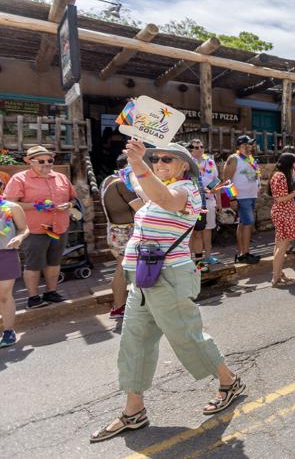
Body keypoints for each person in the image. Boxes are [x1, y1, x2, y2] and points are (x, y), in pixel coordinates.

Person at [91, 141, 243, 443]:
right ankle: (134, 410)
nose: (159, 162)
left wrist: (139, 164)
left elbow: (164, 197)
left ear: (184, 164)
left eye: (166, 159)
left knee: (186, 336)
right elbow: (148, 190)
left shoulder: (188, 190)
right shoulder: (157, 189)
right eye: (155, 158)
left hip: (170, 276)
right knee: (134, 340)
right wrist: (138, 161)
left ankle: (229, 382)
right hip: (142, 277)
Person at [4, 146, 76, 309]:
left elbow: (73, 199)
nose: (47, 164)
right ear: (29, 161)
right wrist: (39, 206)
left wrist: (69, 205)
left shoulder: (61, 177)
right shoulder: (19, 179)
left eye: (50, 160)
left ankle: (51, 292)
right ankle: (33, 298)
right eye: (41, 161)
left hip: (59, 228)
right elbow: (10, 204)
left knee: (54, 262)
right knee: (33, 264)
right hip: (34, 229)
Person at [101, 155, 143, 319]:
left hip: (115, 231)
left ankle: (120, 306)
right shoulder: (121, 184)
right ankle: (118, 307)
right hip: (124, 232)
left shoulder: (108, 180)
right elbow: (142, 208)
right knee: (122, 269)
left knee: (123, 268)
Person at [269, 153, 295, 286]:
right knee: (282, 246)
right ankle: (276, 278)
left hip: (283, 213)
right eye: (294, 162)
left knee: (279, 245)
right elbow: (279, 198)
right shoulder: (281, 176)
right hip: (283, 214)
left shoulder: (279, 175)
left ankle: (279, 274)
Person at [222, 136, 261, 264]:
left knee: (244, 224)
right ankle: (244, 254)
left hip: (251, 196)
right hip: (241, 197)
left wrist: (258, 187)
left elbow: (255, 176)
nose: (251, 147)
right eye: (248, 144)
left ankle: (242, 253)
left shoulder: (251, 159)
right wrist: (231, 198)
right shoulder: (234, 158)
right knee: (248, 223)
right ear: (241, 145)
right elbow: (226, 180)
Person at [0, 192, 29, 348]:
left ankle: (8, 331)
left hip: (5, 254)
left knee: (4, 295)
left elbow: (24, 229)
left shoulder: (12, 207)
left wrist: (19, 237)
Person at [188, 139, 220, 267]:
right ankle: (190, 258)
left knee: (208, 230)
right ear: (190, 149)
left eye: (201, 146)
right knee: (194, 232)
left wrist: (219, 202)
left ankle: (208, 256)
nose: (200, 149)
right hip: (194, 202)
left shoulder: (210, 162)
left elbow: (216, 180)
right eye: (196, 147)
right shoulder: (188, 163)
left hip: (209, 200)